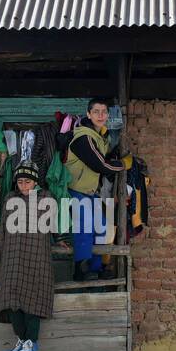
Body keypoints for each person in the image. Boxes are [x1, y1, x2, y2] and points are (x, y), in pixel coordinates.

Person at [0, 161, 54, 351]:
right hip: (12, 256)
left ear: (35, 182)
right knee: (12, 299)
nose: (23, 186)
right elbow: (2, 227)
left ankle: (31, 344)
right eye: (20, 182)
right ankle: (20, 340)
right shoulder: (10, 198)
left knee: (32, 298)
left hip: (36, 257)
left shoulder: (46, 198)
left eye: (27, 182)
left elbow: (54, 224)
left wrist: (63, 239)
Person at [64, 97, 124, 280]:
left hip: (91, 192)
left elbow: (104, 158)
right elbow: (100, 165)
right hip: (75, 189)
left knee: (103, 227)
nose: (100, 115)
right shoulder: (82, 137)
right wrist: (122, 165)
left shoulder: (100, 137)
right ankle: (80, 269)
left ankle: (96, 267)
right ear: (89, 114)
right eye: (96, 111)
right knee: (86, 225)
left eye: (104, 112)